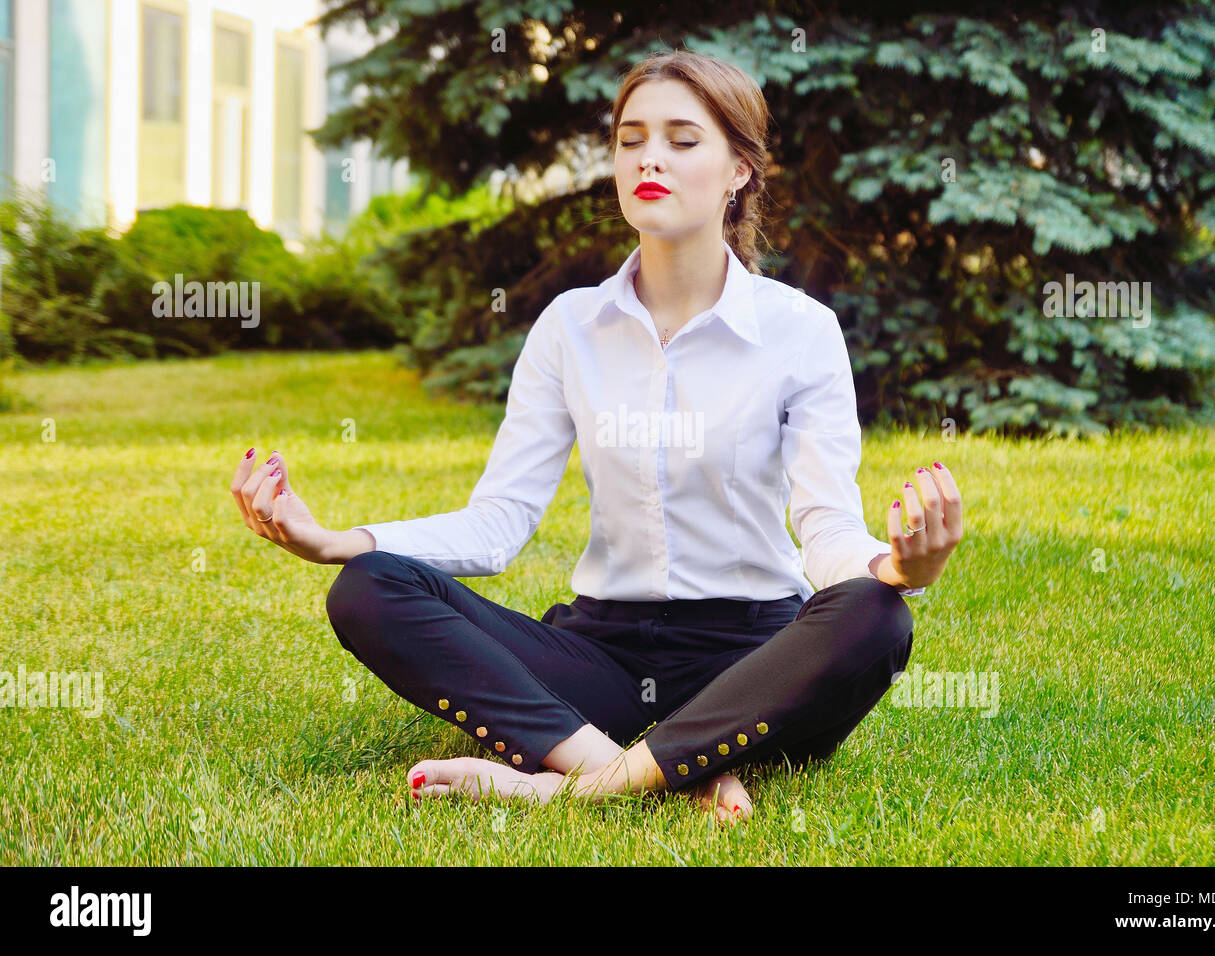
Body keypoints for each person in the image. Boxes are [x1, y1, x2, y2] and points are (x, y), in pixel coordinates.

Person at [229, 50, 963, 827]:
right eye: (631, 138)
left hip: (753, 656)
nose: (650, 157)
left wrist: (894, 567)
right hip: (602, 656)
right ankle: (647, 768)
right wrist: (338, 539)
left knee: (875, 617)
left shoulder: (802, 332)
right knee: (371, 588)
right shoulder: (570, 326)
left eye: (683, 140)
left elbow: (823, 526)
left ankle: (576, 779)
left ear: (739, 170)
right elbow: (498, 523)